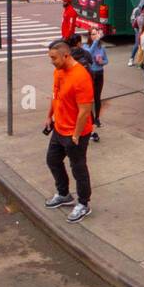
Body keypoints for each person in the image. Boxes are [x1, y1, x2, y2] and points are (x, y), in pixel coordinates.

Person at [41, 38, 96, 223]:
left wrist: (75, 135)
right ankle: (64, 194)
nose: (52, 62)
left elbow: (85, 110)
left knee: (78, 168)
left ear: (66, 55)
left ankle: (83, 203)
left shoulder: (80, 76)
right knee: (52, 160)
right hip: (59, 128)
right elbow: (55, 95)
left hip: (76, 133)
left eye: (54, 58)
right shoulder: (58, 71)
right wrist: (49, 116)